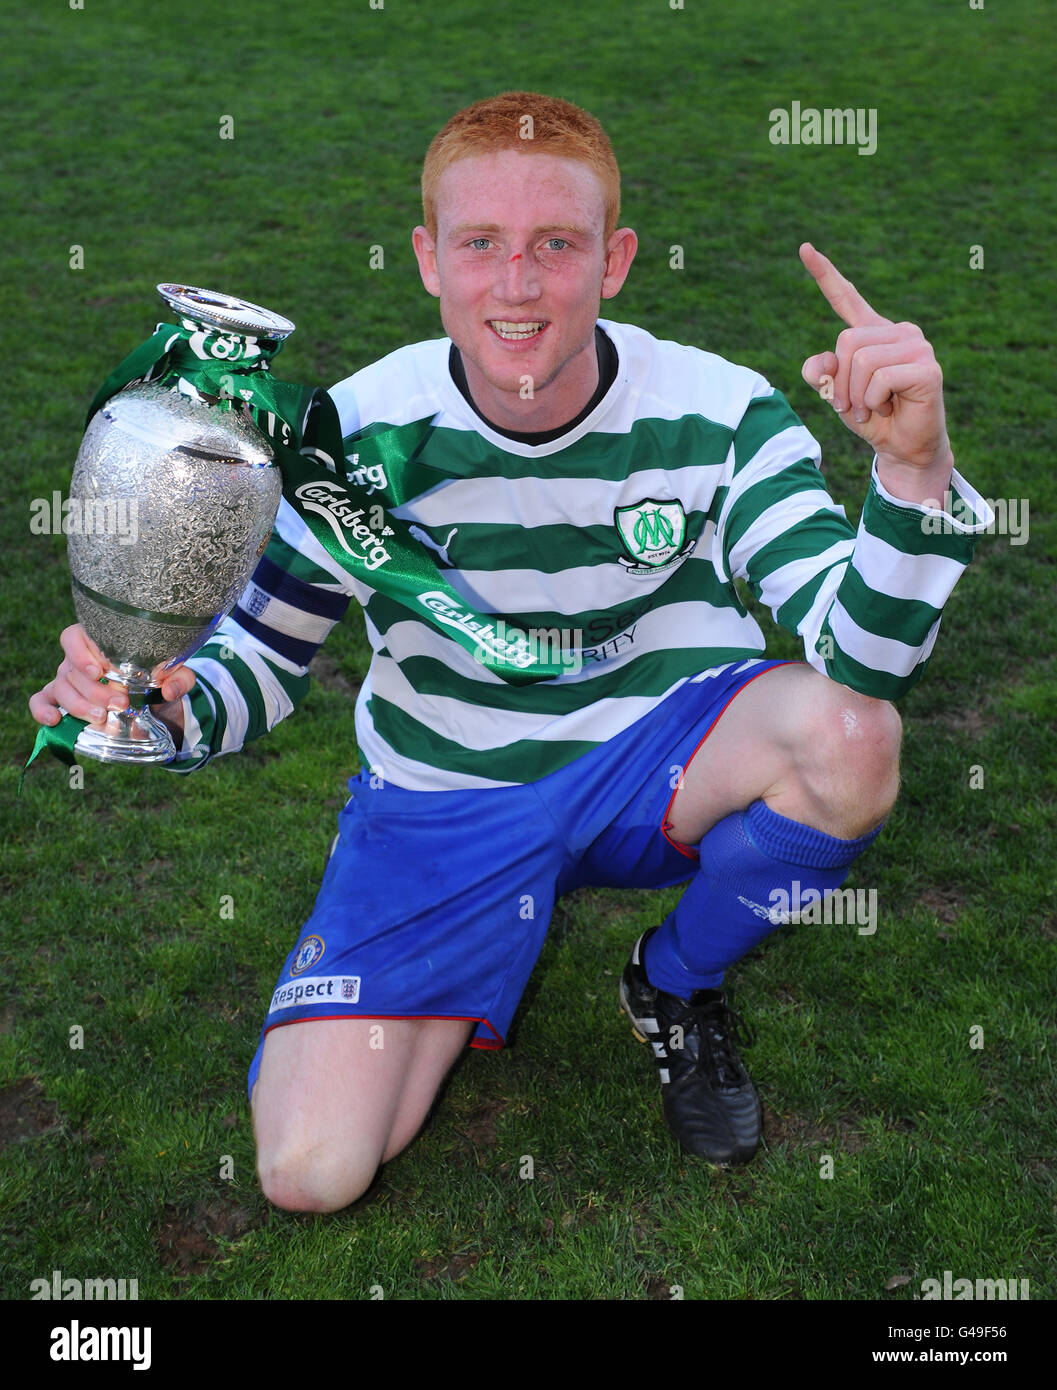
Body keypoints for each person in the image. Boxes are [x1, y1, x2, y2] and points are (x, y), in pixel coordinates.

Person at [30, 92, 991, 1212]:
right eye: (481, 244)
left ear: (616, 260)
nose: (518, 285)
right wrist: (159, 697)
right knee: (310, 1172)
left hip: (659, 759)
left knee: (851, 734)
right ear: (430, 259)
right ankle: (479, 931)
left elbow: (862, 655)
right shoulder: (351, 436)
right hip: (446, 796)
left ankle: (672, 982)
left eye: (556, 245)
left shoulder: (724, 412)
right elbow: (262, 661)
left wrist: (914, 473)